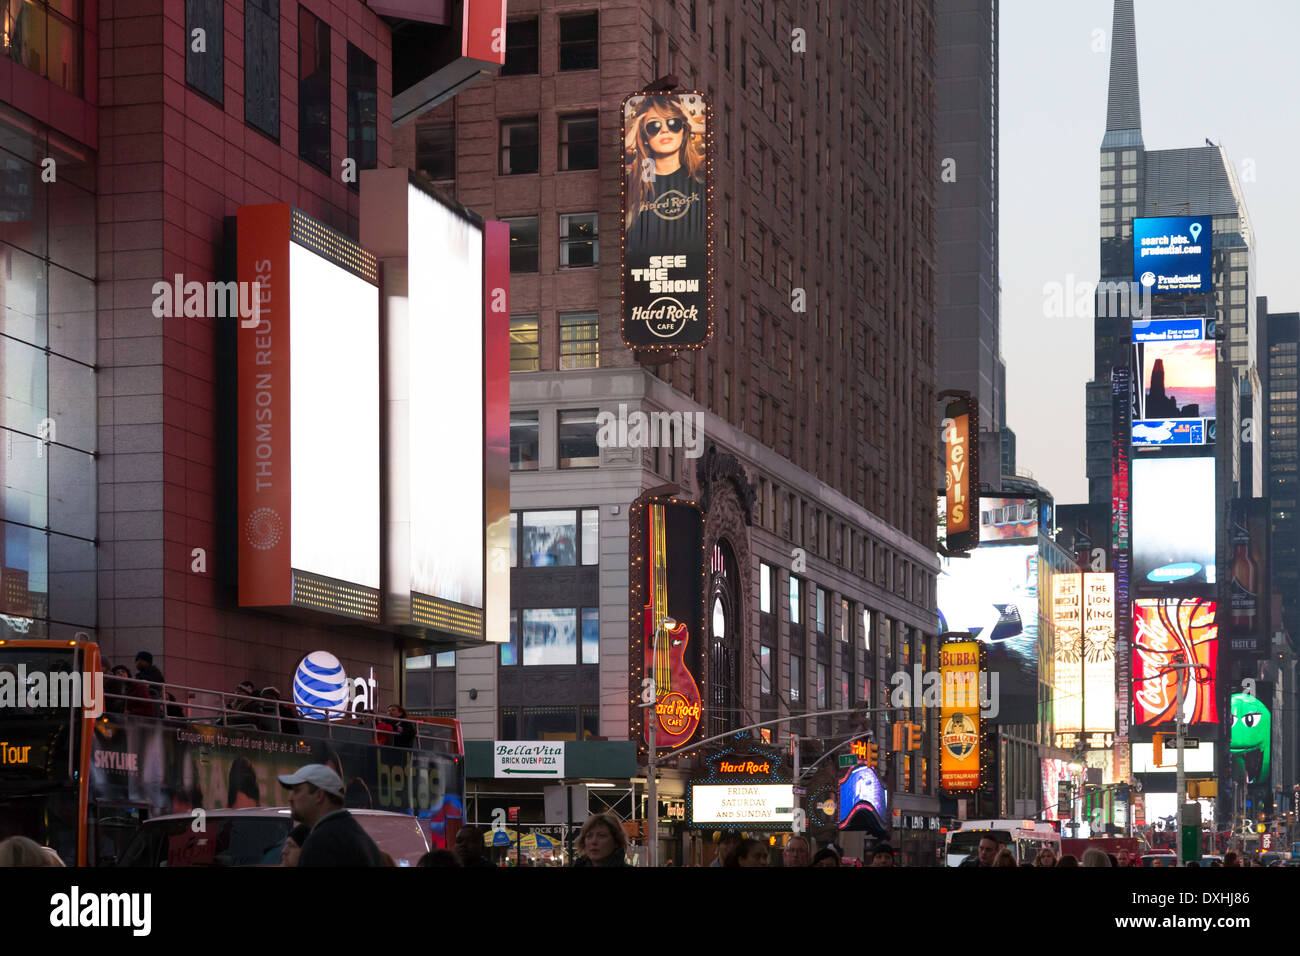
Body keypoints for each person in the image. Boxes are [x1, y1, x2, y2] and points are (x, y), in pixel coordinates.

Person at [278, 764, 382, 867]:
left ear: (319, 795)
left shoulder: (321, 843)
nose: (290, 798)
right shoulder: (362, 839)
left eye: (297, 791)